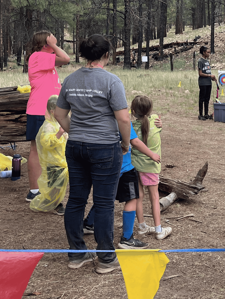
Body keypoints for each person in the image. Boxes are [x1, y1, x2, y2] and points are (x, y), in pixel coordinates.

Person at [54, 34, 159, 274]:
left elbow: (60, 115)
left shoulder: (70, 80)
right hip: (104, 148)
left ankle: (76, 254)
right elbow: (123, 118)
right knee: (103, 203)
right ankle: (105, 257)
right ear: (106, 56)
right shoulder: (112, 81)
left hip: (76, 147)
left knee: (76, 200)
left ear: (84, 55)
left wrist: (76, 132)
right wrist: (124, 144)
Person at [83, 134, 154, 249]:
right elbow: (134, 141)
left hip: (104, 165)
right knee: (132, 199)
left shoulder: (101, 120)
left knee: (104, 198)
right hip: (124, 167)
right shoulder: (121, 118)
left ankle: (88, 224)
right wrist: (152, 154)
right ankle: (127, 239)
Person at [25, 31, 70, 202]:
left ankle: (47, 187)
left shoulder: (45, 59)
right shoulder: (38, 56)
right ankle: (34, 191)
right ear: (45, 44)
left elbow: (63, 61)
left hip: (49, 112)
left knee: (51, 147)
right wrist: (54, 45)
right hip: (39, 111)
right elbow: (66, 58)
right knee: (37, 148)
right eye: (51, 40)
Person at [130, 95, 173, 240]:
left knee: (138, 196)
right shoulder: (154, 120)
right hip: (150, 167)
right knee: (154, 197)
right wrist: (160, 124)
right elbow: (157, 128)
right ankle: (159, 230)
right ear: (150, 110)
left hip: (135, 166)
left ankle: (142, 227)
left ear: (133, 110)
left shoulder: (130, 126)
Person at [29, 95, 69, 215]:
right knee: (54, 185)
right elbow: (46, 143)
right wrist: (59, 134)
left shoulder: (58, 123)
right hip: (52, 163)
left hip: (60, 160)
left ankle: (55, 201)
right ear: (53, 111)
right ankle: (55, 204)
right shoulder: (48, 126)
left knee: (60, 184)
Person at [197, 45, 216, 120]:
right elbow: (200, 73)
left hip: (208, 83)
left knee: (207, 99)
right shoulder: (200, 61)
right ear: (204, 52)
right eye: (208, 52)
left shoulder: (207, 61)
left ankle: (206, 114)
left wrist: (213, 78)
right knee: (202, 99)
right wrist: (209, 75)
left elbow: (208, 71)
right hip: (203, 83)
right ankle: (200, 114)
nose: (209, 54)